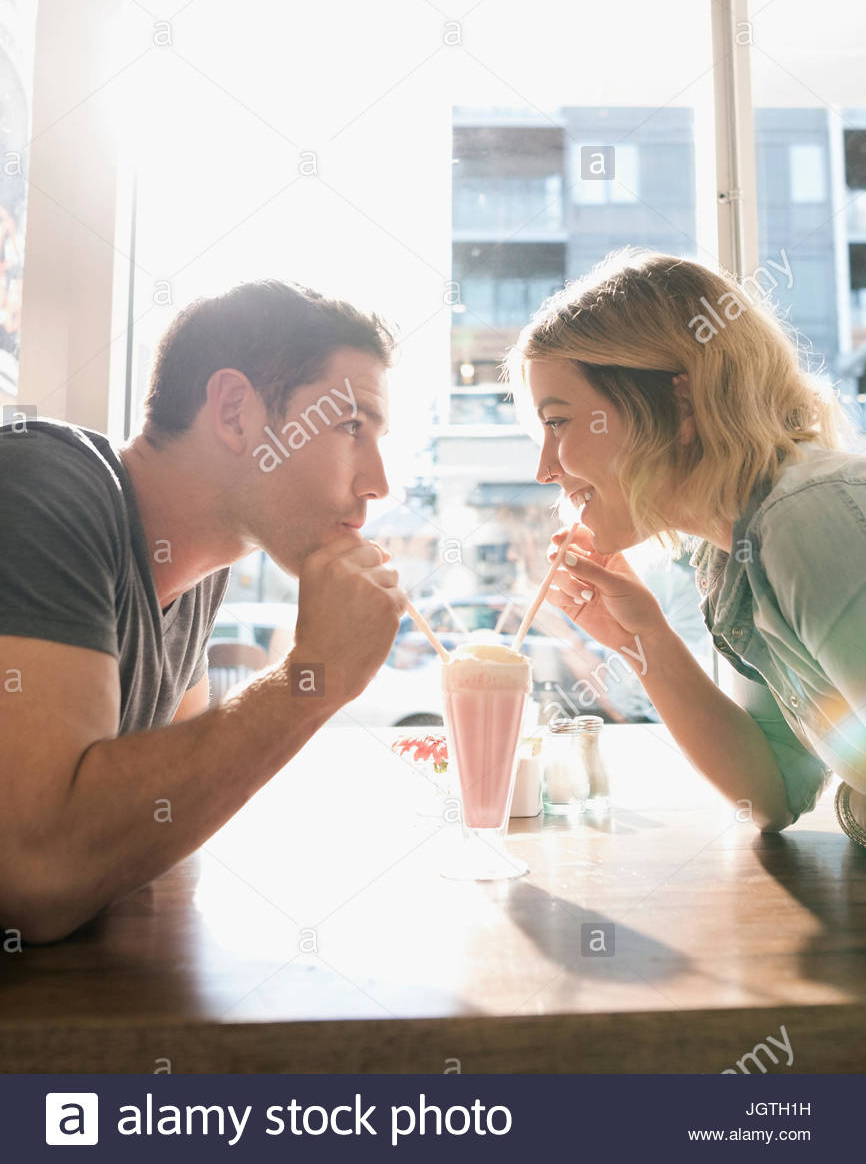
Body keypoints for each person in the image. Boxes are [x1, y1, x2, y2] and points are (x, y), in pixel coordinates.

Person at [0, 280, 408, 944]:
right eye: (351, 426)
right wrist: (312, 676)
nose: (379, 482)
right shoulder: (40, 490)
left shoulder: (194, 576)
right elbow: (35, 876)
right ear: (233, 411)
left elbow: (158, 816)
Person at [505, 247, 866, 841]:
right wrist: (642, 640)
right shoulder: (735, 556)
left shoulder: (804, 520)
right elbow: (771, 792)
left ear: (679, 405)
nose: (545, 468)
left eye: (559, 422)